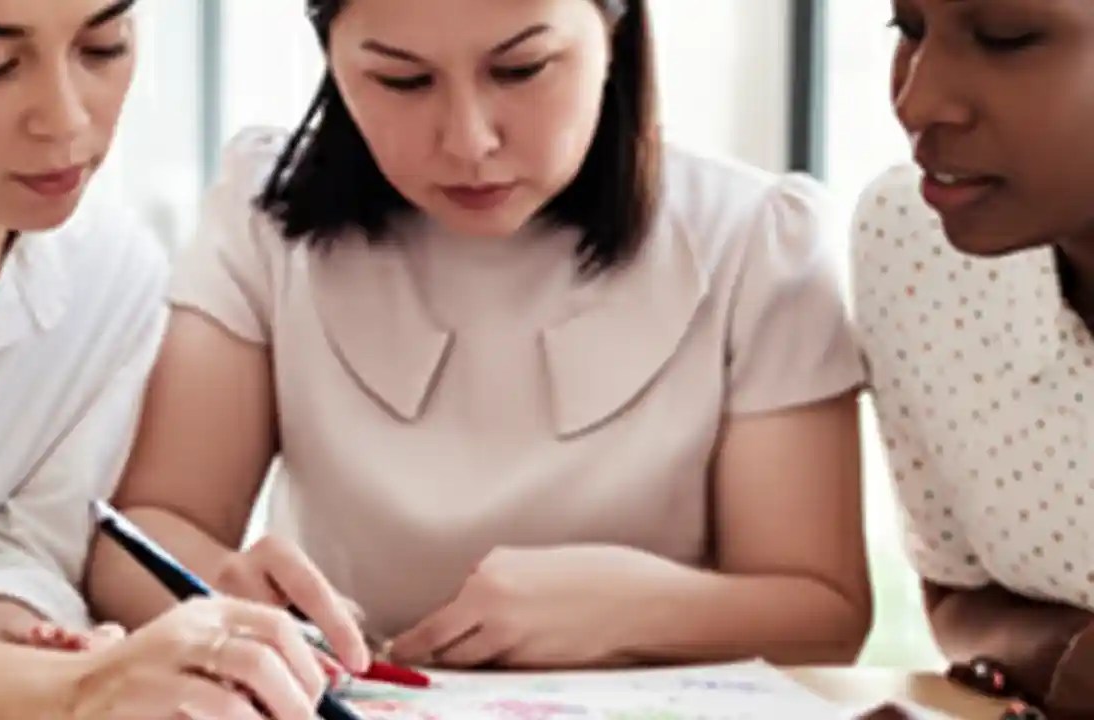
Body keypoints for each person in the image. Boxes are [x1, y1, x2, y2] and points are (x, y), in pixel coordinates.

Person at [90, 0, 873, 669]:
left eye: (522, 69)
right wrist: (225, 591)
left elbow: (824, 614)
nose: (468, 141)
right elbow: (144, 535)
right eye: (402, 80)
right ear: (330, 55)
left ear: (614, 31)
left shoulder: (755, 241)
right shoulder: (265, 220)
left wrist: (629, 610)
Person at [0, 0, 363, 717]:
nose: (65, 120)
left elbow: (17, 551)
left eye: (103, 46)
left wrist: (31, 641)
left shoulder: (112, 275)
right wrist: (67, 691)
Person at [851, 0, 1094, 716]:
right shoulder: (917, 243)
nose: (915, 102)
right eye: (909, 28)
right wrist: (1067, 658)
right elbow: (958, 595)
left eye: (1006, 39)